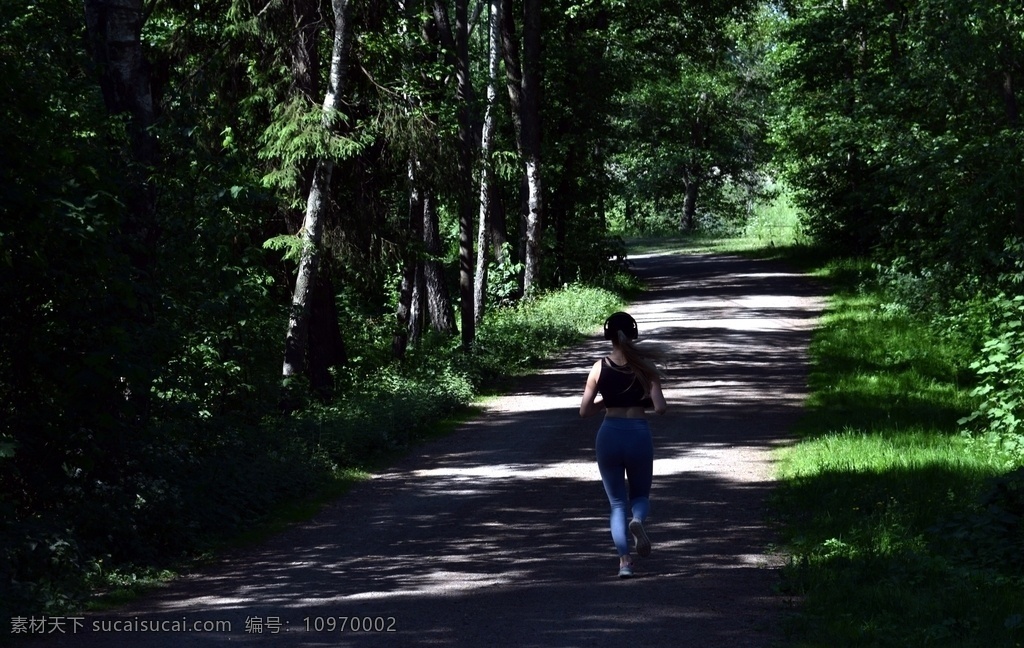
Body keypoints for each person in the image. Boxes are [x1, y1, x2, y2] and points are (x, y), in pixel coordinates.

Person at [579, 311, 667, 578]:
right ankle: (637, 521)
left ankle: (624, 564)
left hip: (609, 435)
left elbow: (584, 412)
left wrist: (609, 400)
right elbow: (661, 408)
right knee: (639, 496)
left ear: (609, 335)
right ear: (633, 333)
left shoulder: (599, 367)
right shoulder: (645, 367)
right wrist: (640, 400)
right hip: (638, 434)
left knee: (617, 503)